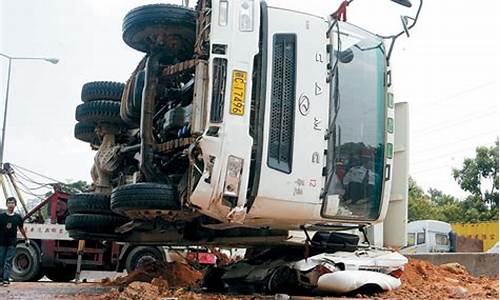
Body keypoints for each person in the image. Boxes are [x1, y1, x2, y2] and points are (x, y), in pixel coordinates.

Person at [0, 197, 29, 286]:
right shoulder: (1, 217)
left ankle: (6, 279)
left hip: (12, 243)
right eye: (9, 203)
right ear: (6, 204)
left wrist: (26, 238)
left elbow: (21, 228)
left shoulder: (17, 217)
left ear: (15, 205)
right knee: (1, 261)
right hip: (1, 242)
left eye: (12, 203)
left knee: (8, 261)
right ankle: (0, 278)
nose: (11, 205)